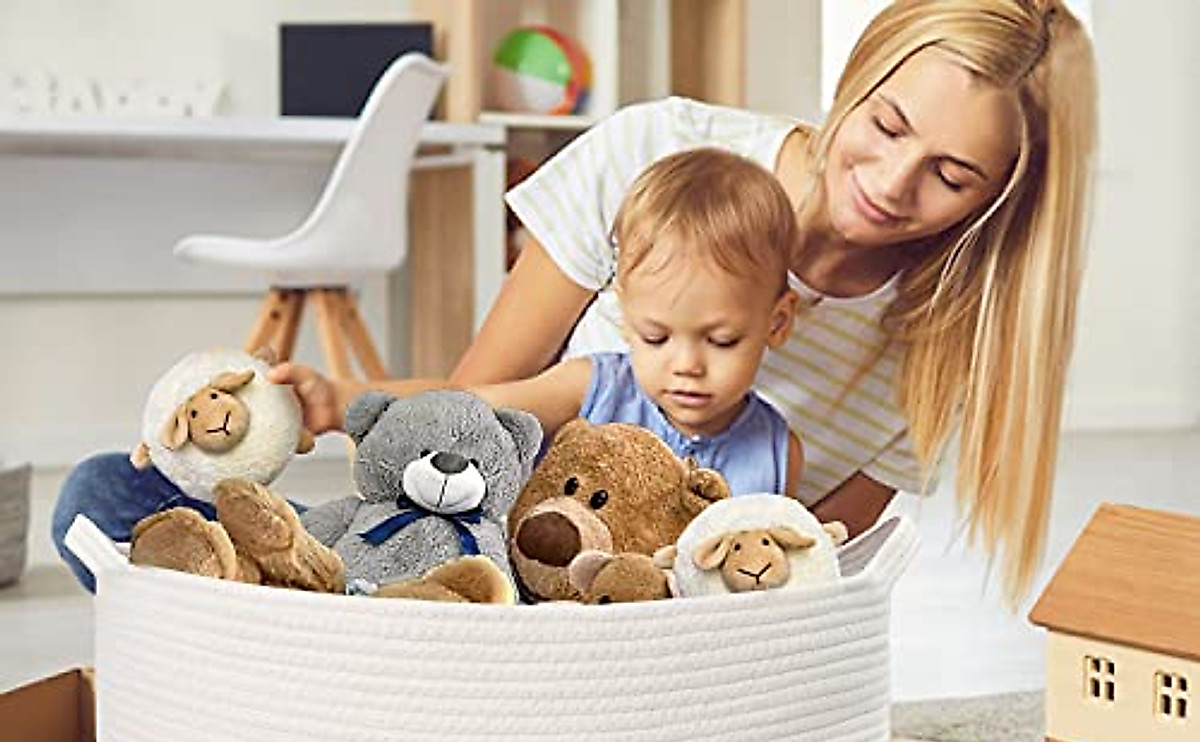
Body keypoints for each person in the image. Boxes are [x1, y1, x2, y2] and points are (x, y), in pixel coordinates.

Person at [278, 0, 1095, 604]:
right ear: (856, 78)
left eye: (951, 176)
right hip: (518, 569)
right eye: (885, 126)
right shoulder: (655, 156)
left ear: (1001, 197)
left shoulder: (944, 347)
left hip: (695, 643)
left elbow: (816, 573)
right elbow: (473, 416)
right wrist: (349, 401)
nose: (891, 183)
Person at [474, 147, 805, 496]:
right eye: (655, 337)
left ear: (777, 323)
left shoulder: (779, 455)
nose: (687, 366)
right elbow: (469, 411)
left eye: (722, 341)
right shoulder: (591, 390)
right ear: (625, 315)